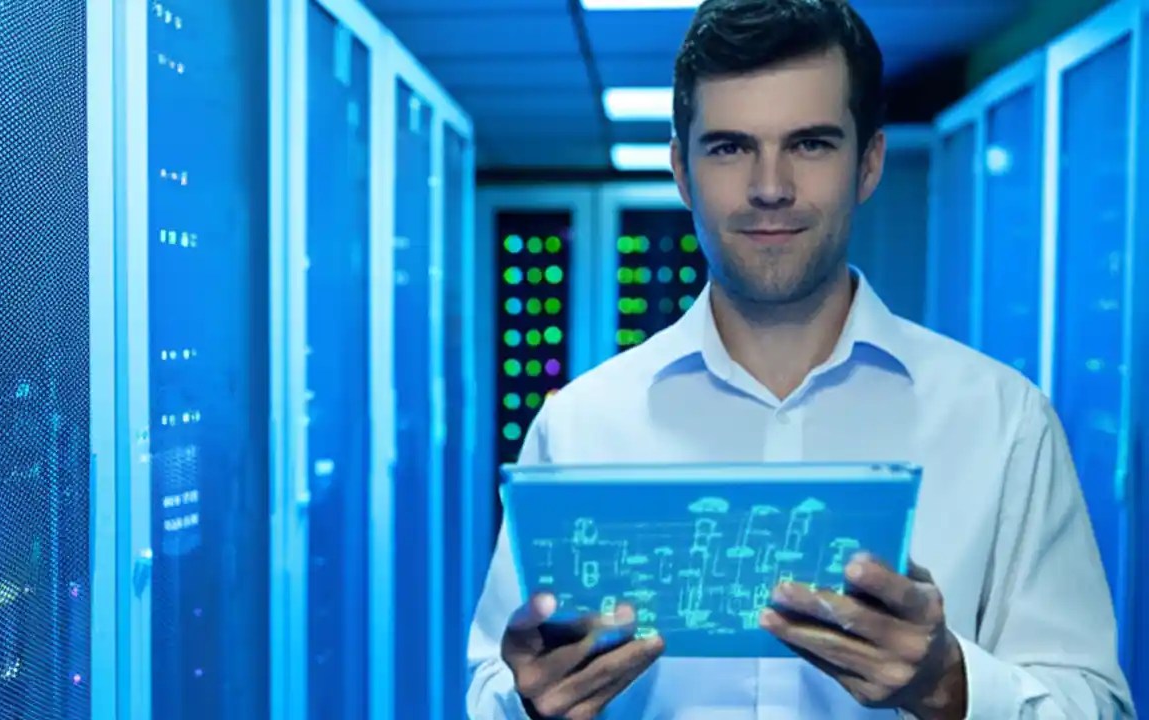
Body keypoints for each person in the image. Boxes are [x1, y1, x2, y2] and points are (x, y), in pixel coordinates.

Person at [465, 0, 1136, 717]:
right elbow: (495, 686)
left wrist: (950, 683)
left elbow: (1097, 703)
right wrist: (529, 706)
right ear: (682, 172)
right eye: (729, 147)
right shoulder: (578, 428)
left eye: (810, 144)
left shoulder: (1003, 422)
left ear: (869, 163)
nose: (770, 186)